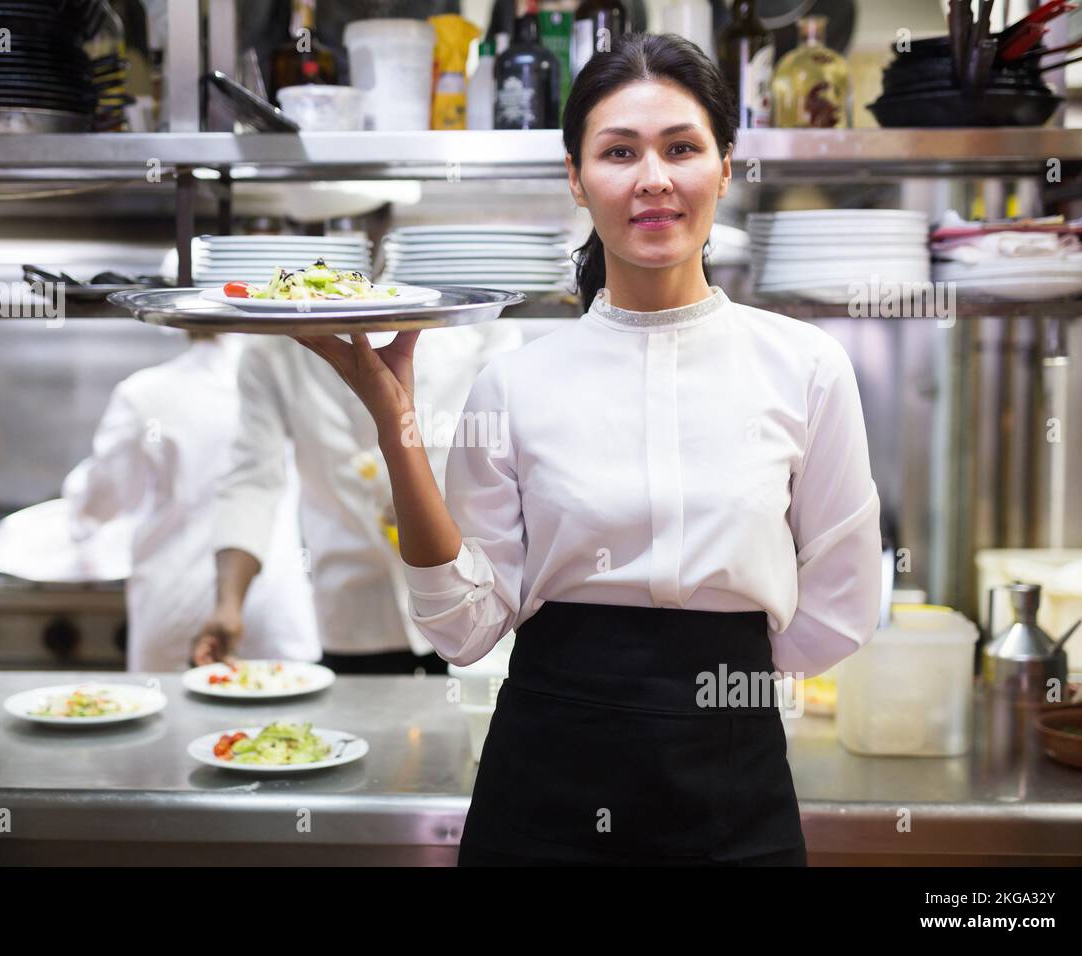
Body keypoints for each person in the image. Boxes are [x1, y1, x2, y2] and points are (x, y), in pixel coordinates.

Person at [290, 32, 882, 865]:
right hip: (547, 776)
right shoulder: (515, 382)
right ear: (576, 177)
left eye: (681, 147)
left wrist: (716, 681)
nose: (653, 178)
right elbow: (464, 628)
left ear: (724, 165)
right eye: (618, 151)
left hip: (734, 775)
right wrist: (399, 429)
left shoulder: (807, 366)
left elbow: (843, 597)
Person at [194, 323, 522, 674]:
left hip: (469, 598)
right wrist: (228, 603)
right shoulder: (272, 350)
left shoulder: (474, 327)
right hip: (355, 613)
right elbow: (253, 481)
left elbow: (503, 464)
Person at [64, 331, 319, 672]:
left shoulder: (144, 393)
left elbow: (104, 499)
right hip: (277, 604)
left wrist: (78, 513)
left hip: (175, 603)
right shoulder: (285, 378)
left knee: (175, 721)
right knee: (288, 721)